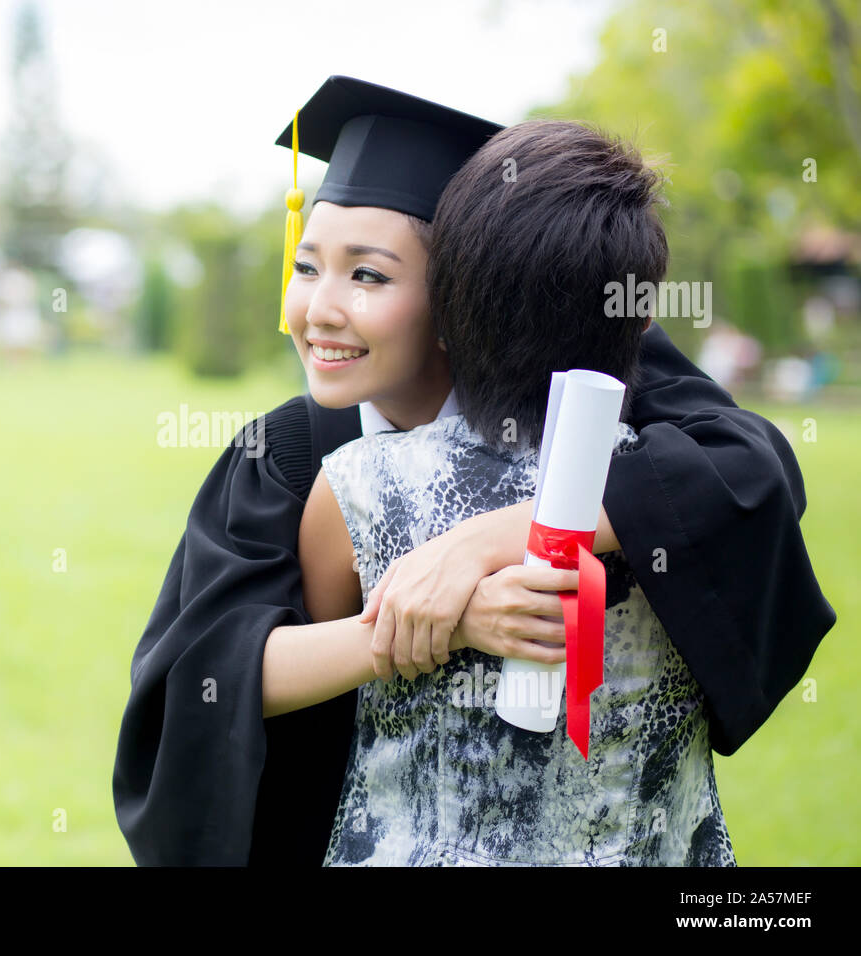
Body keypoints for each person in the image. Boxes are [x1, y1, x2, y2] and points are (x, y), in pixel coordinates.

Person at [112, 76, 836, 867]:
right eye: (309, 266)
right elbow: (203, 672)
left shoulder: (584, 380)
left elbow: (751, 464)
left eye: (369, 276)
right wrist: (432, 620)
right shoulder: (289, 453)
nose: (319, 307)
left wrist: (487, 540)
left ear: (463, 296)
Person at [300, 119, 746, 865]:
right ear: (639, 318)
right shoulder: (696, 500)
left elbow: (330, 705)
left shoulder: (357, 488)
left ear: (449, 304)